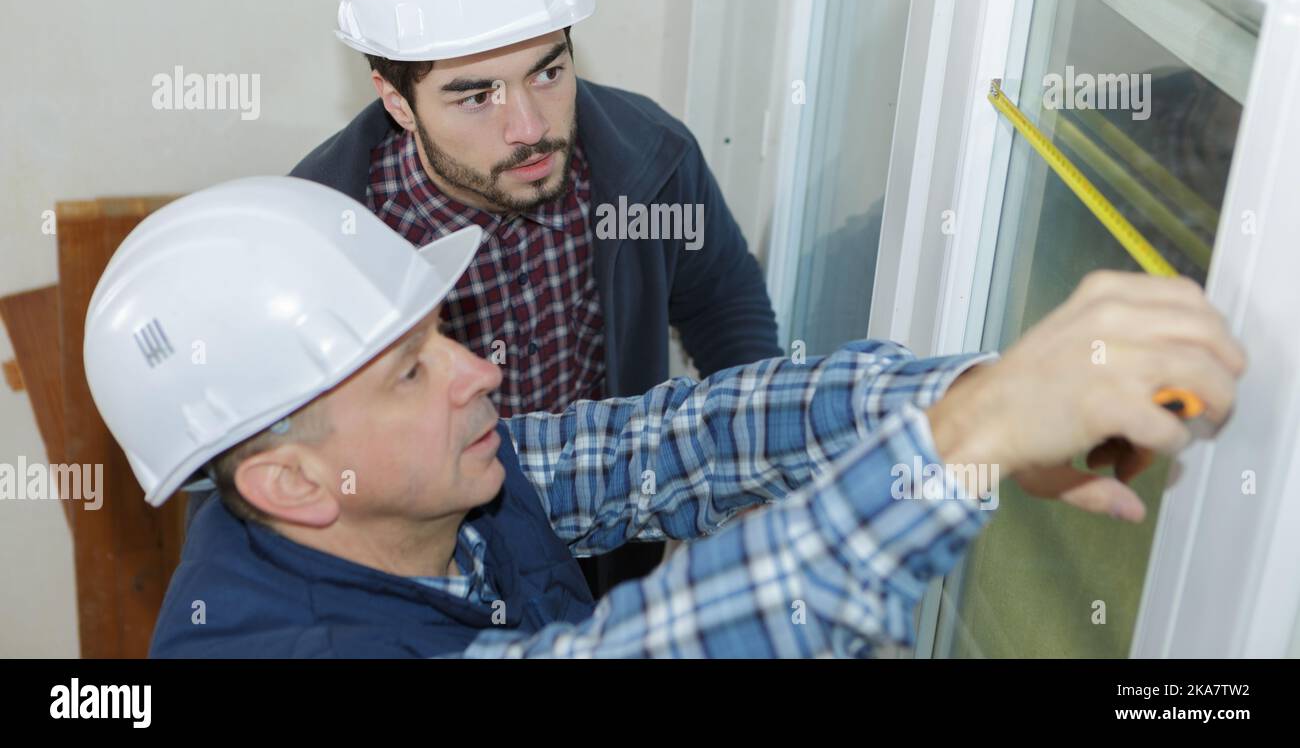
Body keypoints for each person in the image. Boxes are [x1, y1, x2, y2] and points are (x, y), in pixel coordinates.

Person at [84, 177, 1244, 658]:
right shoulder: (271, 647)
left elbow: (681, 439)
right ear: (291, 482)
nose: (478, 369)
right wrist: (964, 444)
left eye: (440, 333)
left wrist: (954, 396)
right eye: (406, 370)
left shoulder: (412, 492)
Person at [230, 0, 783, 594]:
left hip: (610, 568)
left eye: (548, 72)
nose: (530, 129)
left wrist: (762, 471)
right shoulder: (326, 240)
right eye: (476, 95)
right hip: (436, 585)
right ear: (396, 101)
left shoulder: (649, 165)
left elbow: (720, 301)